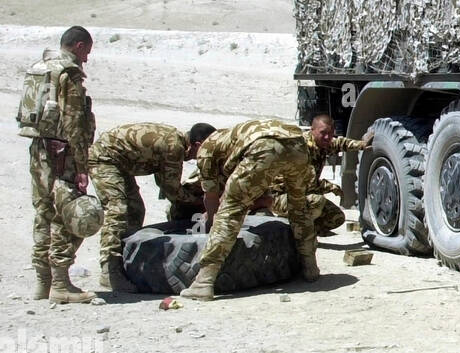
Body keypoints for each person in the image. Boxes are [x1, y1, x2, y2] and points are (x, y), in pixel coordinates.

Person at [179, 119, 318, 301]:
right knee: (299, 208)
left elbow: (211, 197)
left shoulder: (206, 148)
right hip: (298, 145)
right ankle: (310, 268)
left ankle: (203, 283)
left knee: (231, 210)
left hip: (264, 146)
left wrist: (213, 223)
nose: (192, 156)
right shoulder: (232, 135)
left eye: (191, 152)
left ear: (198, 144)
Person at [18, 26, 97, 303]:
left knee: (43, 212)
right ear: (78, 46)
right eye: (86, 51)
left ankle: (43, 283)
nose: (86, 58)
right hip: (62, 155)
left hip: (39, 150)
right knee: (68, 212)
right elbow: (74, 121)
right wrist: (82, 166)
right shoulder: (69, 73)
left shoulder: (40, 67)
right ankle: (61, 284)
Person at [88, 121, 216, 292]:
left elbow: (164, 182)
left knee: (136, 210)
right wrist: (201, 202)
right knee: (117, 210)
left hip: (120, 163)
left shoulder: (173, 142)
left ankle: (127, 261)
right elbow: (171, 190)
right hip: (105, 159)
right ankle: (110, 271)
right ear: (197, 145)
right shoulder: (174, 147)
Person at [268, 115, 372, 235]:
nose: (327, 137)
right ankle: (297, 233)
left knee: (336, 217)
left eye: (331, 133)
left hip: (301, 195)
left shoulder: (322, 143)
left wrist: (362, 145)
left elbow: (340, 143)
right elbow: (309, 184)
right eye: (323, 133)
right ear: (312, 130)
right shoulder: (301, 148)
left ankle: (299, 226)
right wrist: (331, 187)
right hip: (281, 197)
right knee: (316, 201)